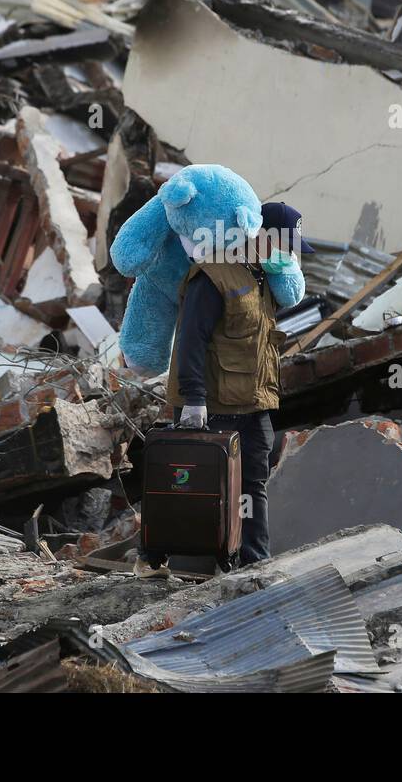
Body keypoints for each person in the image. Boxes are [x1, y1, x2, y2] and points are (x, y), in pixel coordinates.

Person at [153, 201, 314, 571]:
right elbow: (190, 340)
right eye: (285, 245)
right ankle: (189, 567)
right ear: (259, 234)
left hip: (254, 404)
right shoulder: (213, 276)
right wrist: (193, 399)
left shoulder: (263, 280)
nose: (289, 255)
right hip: (212, 405)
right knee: (202, 489)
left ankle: (254, 564)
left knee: (252, 486)